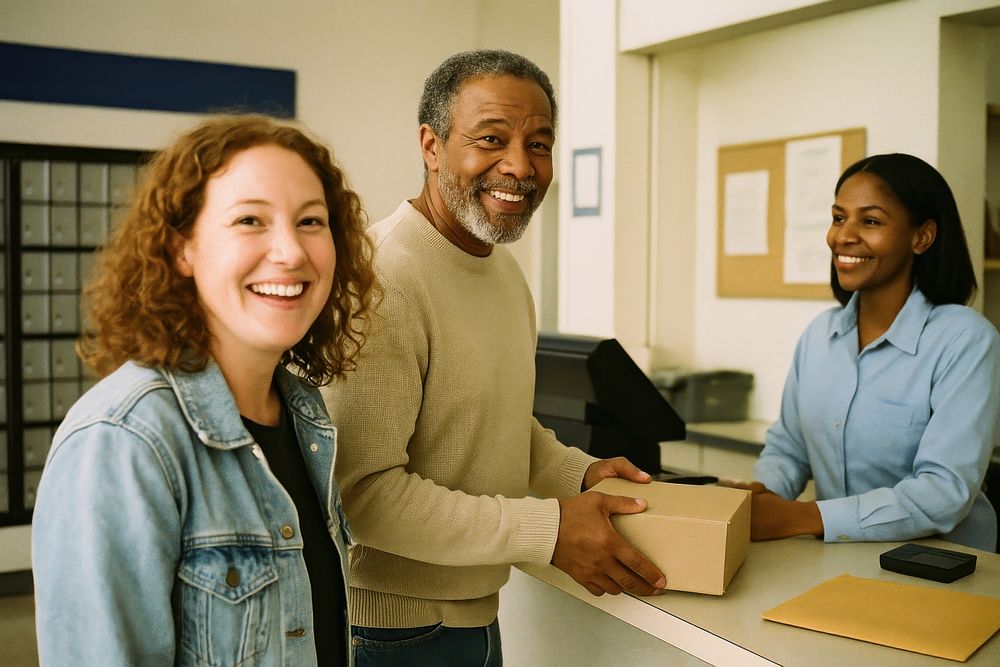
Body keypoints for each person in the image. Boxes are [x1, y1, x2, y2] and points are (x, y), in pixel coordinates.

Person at [323, 49, 665, 665]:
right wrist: (549, 530)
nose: (520, 166)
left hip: (474, 617)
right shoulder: (382, 278)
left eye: (539, 145)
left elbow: (490, 423)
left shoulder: (503, 271)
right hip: (388, 633)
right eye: (491, 139)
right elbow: (363, 496)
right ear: (432, 147)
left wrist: (578, 473)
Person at [31, 114, 378, 665]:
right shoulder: (123, 439)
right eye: (249, 220)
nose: (291, 251)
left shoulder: (302, 411)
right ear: (181, 250)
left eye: (311, 221)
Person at [740, 153, 999, 552]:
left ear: (922, 237)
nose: (843, 236)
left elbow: (945, 491)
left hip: (943, 567)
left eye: (871, 221)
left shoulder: (965, 339)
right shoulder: (819, 335)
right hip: (841, 558)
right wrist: (758, 497)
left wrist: (802, 517)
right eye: (838, 218)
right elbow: (788, 449)